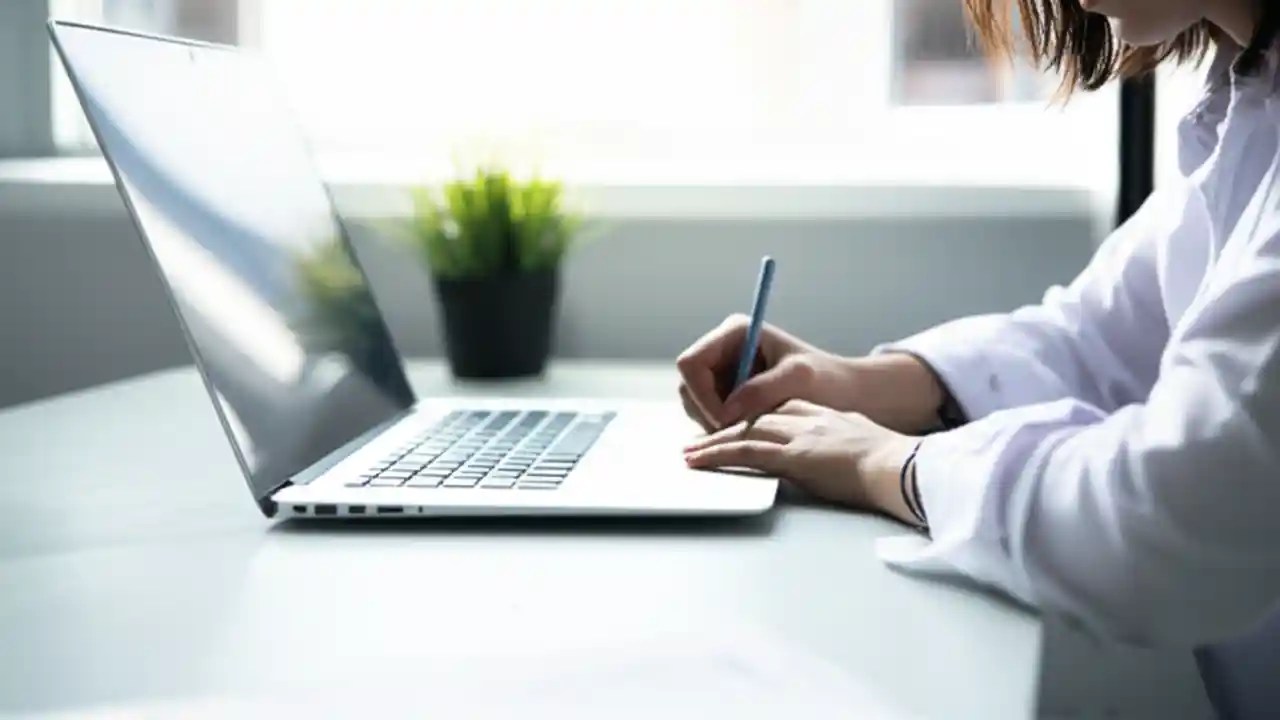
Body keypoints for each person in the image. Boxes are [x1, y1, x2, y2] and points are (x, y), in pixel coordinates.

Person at [677, 0, 1280, 649]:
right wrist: (861, 384)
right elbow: (1104, 336)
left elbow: (1167, 517)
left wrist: (891, 465)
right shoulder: (1250, 96)